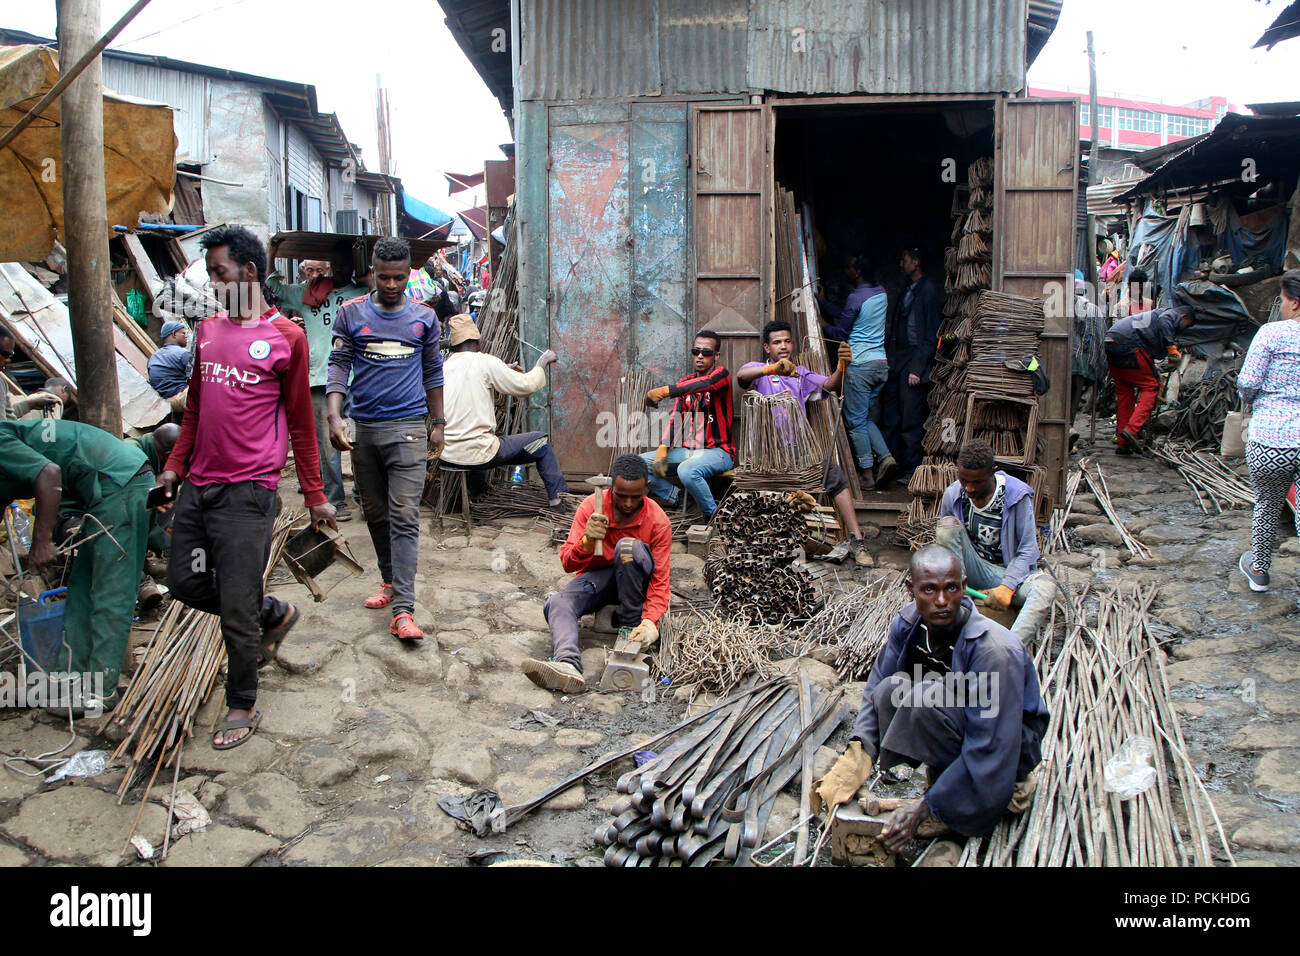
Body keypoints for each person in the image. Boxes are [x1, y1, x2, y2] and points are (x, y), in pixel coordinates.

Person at [160, 224, 335, 750]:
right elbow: (194, 409)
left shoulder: (287, 337)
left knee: (234, 609)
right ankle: (271, 613)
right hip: (199, 485)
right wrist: (173, 467)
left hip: (249, 492)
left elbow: (303, 424)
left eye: (220, 272)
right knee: (184, 582)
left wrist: (314, 493)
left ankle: (242, 702)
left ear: (250, 272)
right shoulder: (208, 332)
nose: (214, 283)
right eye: (211, 273)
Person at [811, 545, 1048, 845]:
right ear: (911, 589)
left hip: (1006, 751)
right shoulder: (910, 623)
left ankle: (993, 793)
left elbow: (991, 745)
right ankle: (942, 779)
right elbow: (877, 686)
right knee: (891, 691)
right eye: (929, 590)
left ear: (963, 587)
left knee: (925, 696)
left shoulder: (993, 653)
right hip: (961, 723)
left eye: (951, 588)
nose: (941, 601)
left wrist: (924, 809)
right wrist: (857, 754)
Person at [327, 237, 444, 641]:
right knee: (375, 513)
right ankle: (389, 580)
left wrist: (439, 421)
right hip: (363, 429)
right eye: (383, 277)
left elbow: (433, 372)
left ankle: (404, 611)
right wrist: (333, 415)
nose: (391, 285)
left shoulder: (425, 318)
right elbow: (339, 364)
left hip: (409, 428)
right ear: (372, 273)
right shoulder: (350, 313)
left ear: (409, 273)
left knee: (404, 517)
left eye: (398, 277)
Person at [0, 420, 152, 713]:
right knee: (82, 593)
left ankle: (100, 691)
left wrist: (41, 541)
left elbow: (49, 473)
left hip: (119, 482)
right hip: (102, 486)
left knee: (112, 591)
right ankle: (68, 682)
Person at [523, 454, 670, 693]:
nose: (629, 504)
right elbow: (568, 563)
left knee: (627, 547)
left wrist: (650, 621)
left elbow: (660, 579)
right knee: (558, 602)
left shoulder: (657, 521)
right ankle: (567, 665)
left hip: (636, 585)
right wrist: (587, 540)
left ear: (647, 488)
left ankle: (629, 624)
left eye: (636, 496)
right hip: (600, 580)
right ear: (611, 487)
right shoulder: (592, 507)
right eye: (622, 496)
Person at [737, 320, 872, 565]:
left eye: (787, 341)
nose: (784, 346)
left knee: (835, 476)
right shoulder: (758, 369)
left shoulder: (801, 374)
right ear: (767, 347)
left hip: (798, 448)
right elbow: (742, 376)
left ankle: (857, 540)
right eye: (777, 342)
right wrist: (773, 369)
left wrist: (842, 366)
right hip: (765, 452)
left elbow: (830, 385)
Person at [267, 242, 372, 522]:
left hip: (357, 377)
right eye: (334, 264)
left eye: (345, 264)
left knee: (360, 440)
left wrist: (365, 273)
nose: (339, 269)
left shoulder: (361, 292)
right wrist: (271, 253)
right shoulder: (309, 294)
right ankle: (335, 498)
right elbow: (273, 288)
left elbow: (388, 288)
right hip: (319, 378)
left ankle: (365, 495)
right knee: (328, 444)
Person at [935, 440, 1055, 644]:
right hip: (969, 573)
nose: (970, 488)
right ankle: (960, 603)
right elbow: (946, 546)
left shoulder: (1016, 495)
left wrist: (1007, 587)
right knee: (947, 526)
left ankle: (1011, 648)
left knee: (1045, 588)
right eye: (964, 480)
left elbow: (1028, 550)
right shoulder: (953, 494)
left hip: (1007, 575)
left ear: (993, 472)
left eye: (977, 482)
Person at [440, 314, 567, 505]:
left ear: (454, 345)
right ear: (476, 341)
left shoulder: (444, 367)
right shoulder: (484, 362)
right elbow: (525, 385)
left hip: (448, 455)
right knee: (541, 443)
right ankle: (558, 502)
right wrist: (542, 362)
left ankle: (475, 496)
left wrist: (501, 370)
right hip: (479, 454)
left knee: (477, 439)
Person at [1236, 268, 1300, 592]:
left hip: (1271, 439)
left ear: (1295, 303)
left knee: (1267, 504)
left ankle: (1259, 570)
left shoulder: (1271, 334)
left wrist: (1252, 399)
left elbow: (1247, 383)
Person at [642, 330, 735, 518]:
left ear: (716, 356)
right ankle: (677, 496)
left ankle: (714, 517)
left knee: (687, 470)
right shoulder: (685, 383)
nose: (700, 356)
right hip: (689, 450)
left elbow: (707, 383)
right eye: (696, 351)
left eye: (706, 352)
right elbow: (676, 419)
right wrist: (663, 448)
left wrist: (666, 391)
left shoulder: (721, 375)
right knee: (638, 464)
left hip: (719, 452)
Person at [833, 255, 897, 491]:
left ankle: (867, 475)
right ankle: (885, 457)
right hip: (880, 364)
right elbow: (855, 316)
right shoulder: (880, 292)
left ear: (857, 271)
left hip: (859, 365)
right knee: (865, 417)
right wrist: (825, 305)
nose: (845, 270)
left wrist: (822, 322)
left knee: (855, 421)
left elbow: (841, 331)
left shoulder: (855, 297)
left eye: (848, 267)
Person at [1104, 305, 1194, 454]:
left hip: (1112, 342)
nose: (1184, 329)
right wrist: (1172, 350)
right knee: (1151, 387)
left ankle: (1122, 443)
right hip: (1130, 344)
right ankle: (1131, 430)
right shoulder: (1170, 313)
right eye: (1187, 325)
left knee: (1125, 393)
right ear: (1184, 317)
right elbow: (1166, 321)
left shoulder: (1154, 316)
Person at [884, 247, 942, 478]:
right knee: (893, 416)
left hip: (914, 362)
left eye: (904, 260)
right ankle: (894, 466)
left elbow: (931, 335)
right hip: (899, 360)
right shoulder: (908, 289)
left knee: (911, 419)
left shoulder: (927, 291)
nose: (901, 264)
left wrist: (918, 368)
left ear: (916, 262)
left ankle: (912, 469)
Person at [0, 331, 61, 420]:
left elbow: (7, 418)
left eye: (10, 355)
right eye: (5, 355)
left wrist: (29, 404)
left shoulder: (2, 382)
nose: (8, 360)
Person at [147, 320, 193, 414]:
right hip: (181, 398)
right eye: (183, 333)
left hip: (164, 401)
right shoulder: (183, 354)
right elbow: (199, 378)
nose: (186, 336)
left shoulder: (154, 356)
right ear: (174, 334)